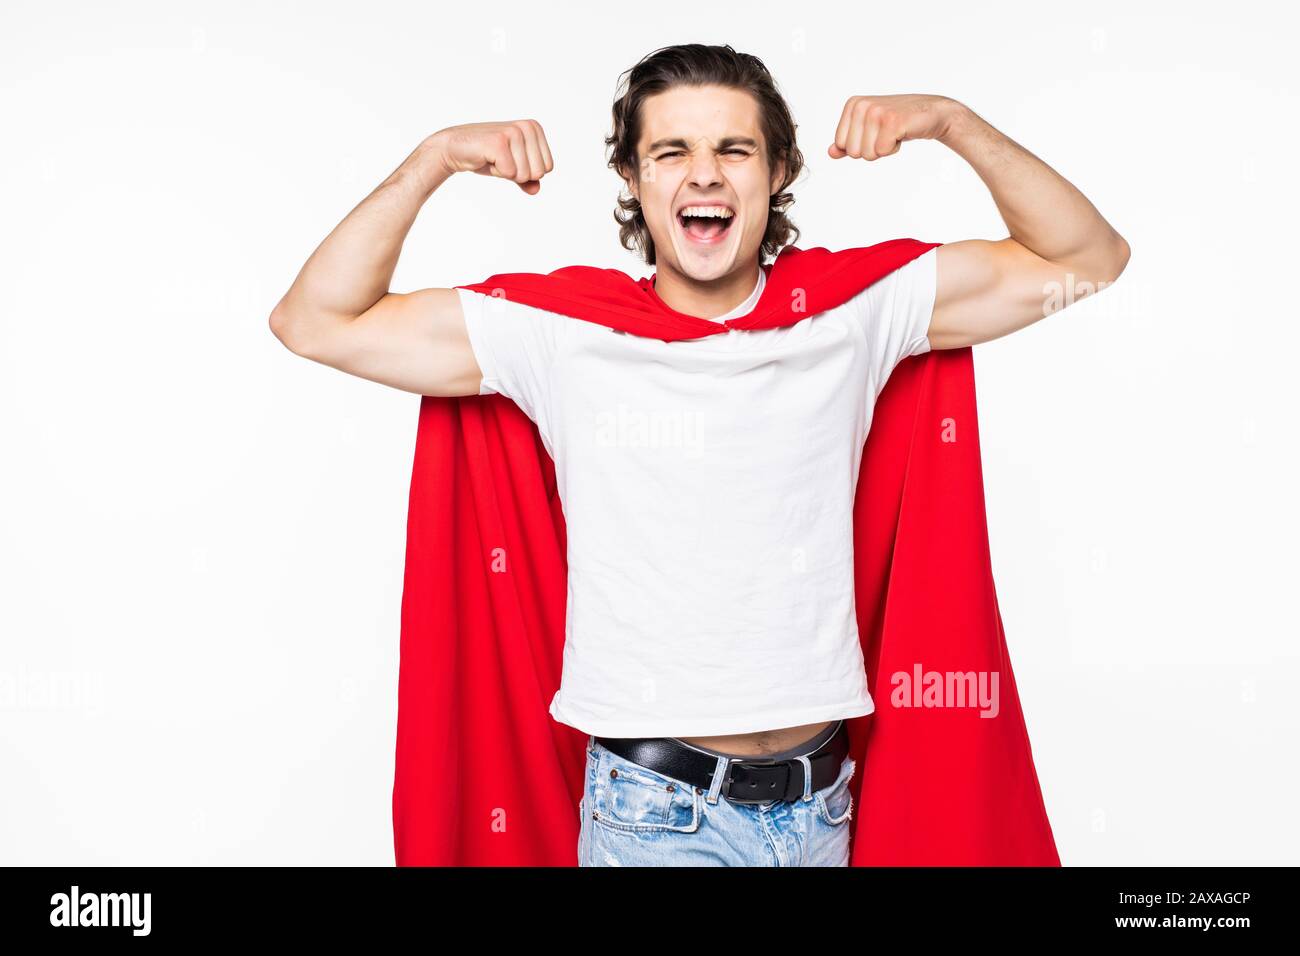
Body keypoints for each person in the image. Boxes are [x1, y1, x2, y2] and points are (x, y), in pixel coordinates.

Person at [268, 43, 1129, 866]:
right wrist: (434, 158)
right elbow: (315, 321)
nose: (704, 174)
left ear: (779, 173)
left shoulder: (857, 311)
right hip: (654, 818)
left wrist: (951, 121)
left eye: (735, 149)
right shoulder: (557, 333)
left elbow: (1087, 257)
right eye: (671, 152)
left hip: (822, 806)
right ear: (634, 182)